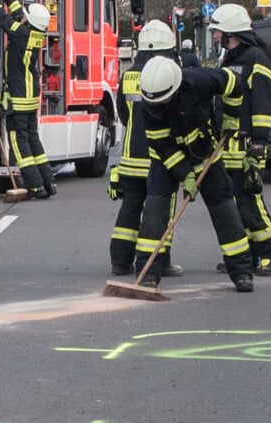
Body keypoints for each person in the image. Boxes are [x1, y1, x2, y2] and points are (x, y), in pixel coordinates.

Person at [134, 55, 254, 292]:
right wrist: (185, 174)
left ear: (175, 88)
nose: (159, 105)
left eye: (164, 100)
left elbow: (235, 82)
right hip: (167, 159)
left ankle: (242, 272)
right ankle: (147, 274)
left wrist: (231, 116)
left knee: (224, 209)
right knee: (155, 211)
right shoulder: (150, 105)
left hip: (206, 153)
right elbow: (161, 145)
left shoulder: (200, 80)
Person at [209, 3, 271, 275]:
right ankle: (245, 256)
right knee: (234, 207)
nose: (215, 36)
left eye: (218, 31)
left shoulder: (256, 59)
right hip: (227, 147)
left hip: (248, 146)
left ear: (231, 31)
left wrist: (259, 143)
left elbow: (262, 104)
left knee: (250, 203)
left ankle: (270, 253)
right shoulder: (229, 60)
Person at [108, 20, 183, 278]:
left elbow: (123, 114)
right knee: (159, 212)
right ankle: (159, 261)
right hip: (158, 159)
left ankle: (120, 261)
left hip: (130, 158)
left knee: (129, 209)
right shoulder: (168, 75)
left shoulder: (128, 76)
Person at [0, 0, 56, 198]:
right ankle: (48, 183)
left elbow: (2, 18)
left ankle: (35, 186)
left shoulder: (22, 34)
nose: (23, 16)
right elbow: (16, 15)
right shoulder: (34, 34)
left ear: (29, 22)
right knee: (33, 140)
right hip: (30, 97)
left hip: (20, 98)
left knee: (18, 141)